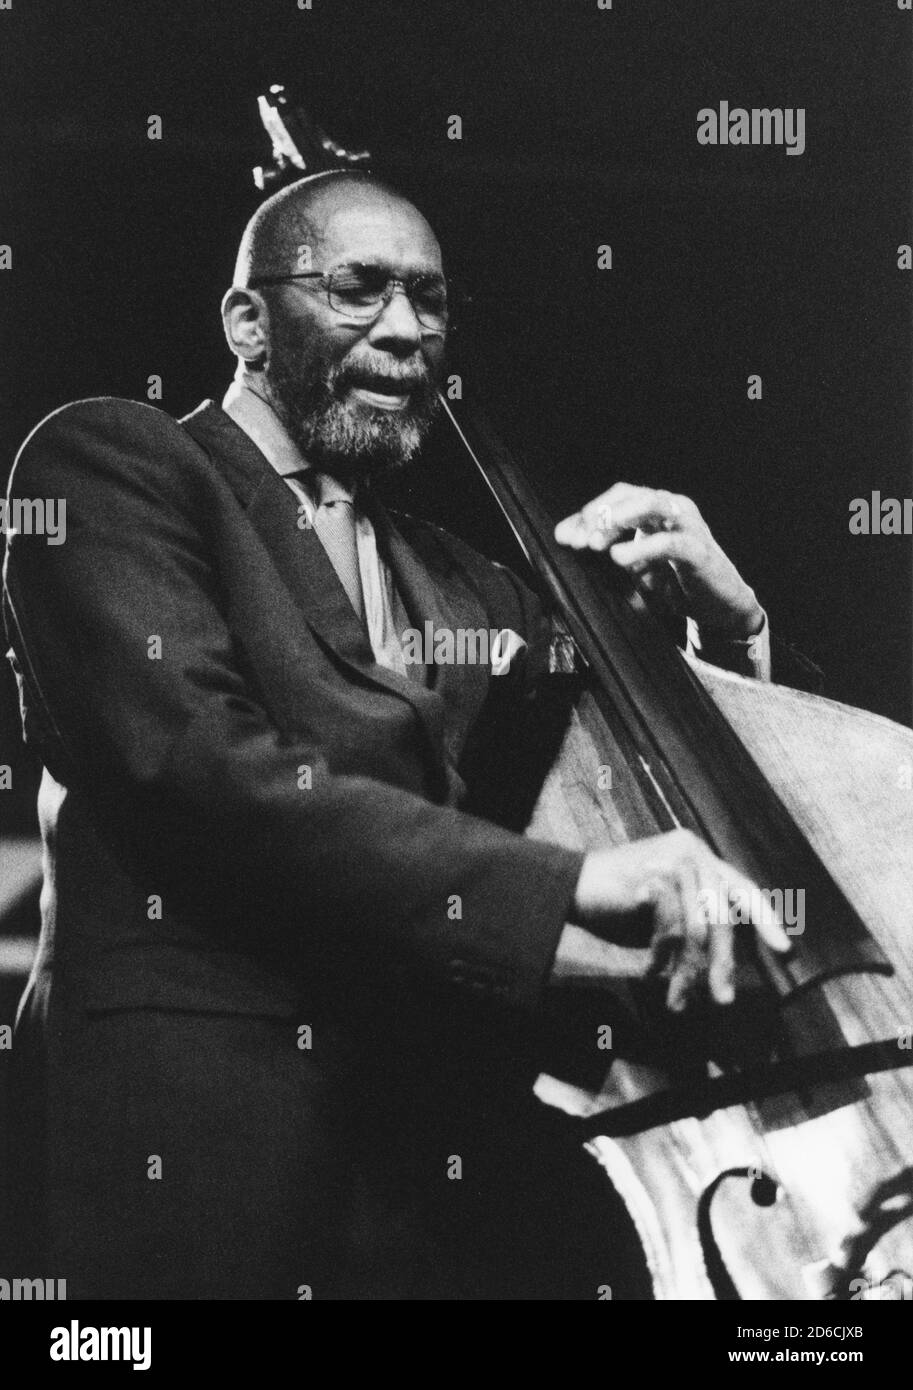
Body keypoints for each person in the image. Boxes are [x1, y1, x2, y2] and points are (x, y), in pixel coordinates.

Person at [2, 170, 793, 1300]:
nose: (407, 328)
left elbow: (636, 783)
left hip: (434, 1189)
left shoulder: (476, 587)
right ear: (249, 323)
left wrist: (727, 631)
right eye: (359, 289)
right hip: (193, 1148)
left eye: (428, 300)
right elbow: (206, 773)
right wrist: (570, 886)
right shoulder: (115, 466)